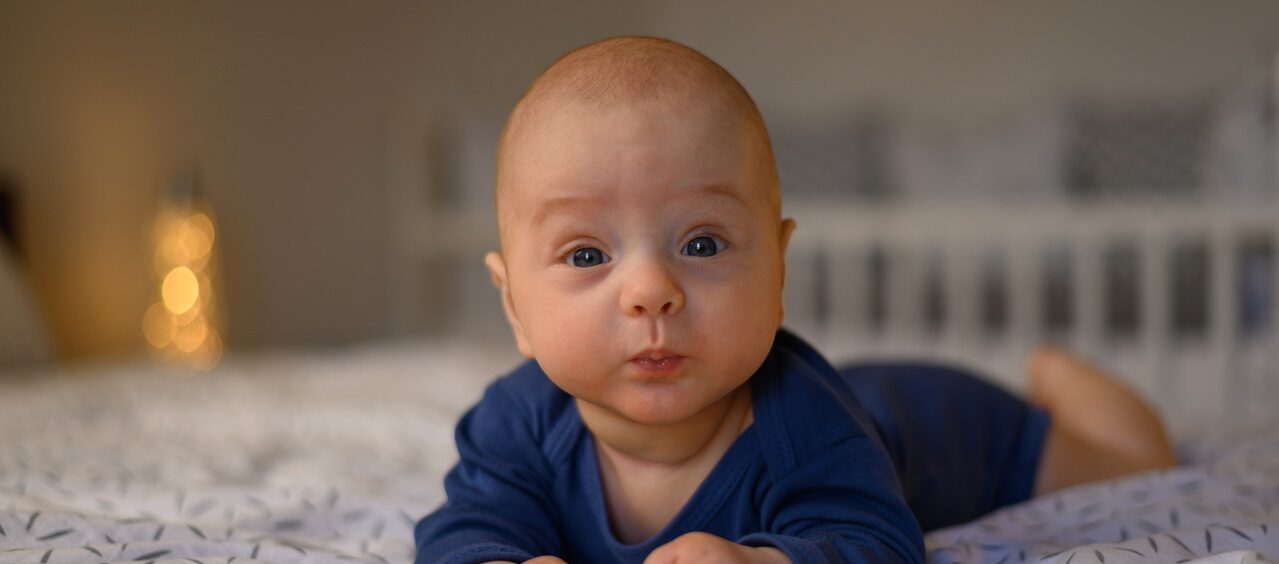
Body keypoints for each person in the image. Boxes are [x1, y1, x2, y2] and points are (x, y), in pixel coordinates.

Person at [414, 36, 1176, 564]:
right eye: (586, 254)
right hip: (876, 398)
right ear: (512, 307)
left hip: (962, 429)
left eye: (702, 244)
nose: (651, 290)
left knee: (1129, 462)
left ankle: (1057, 375)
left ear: (777, 269)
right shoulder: (514, 424)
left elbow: (878, 542)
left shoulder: (805, 422)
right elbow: (467, 524)